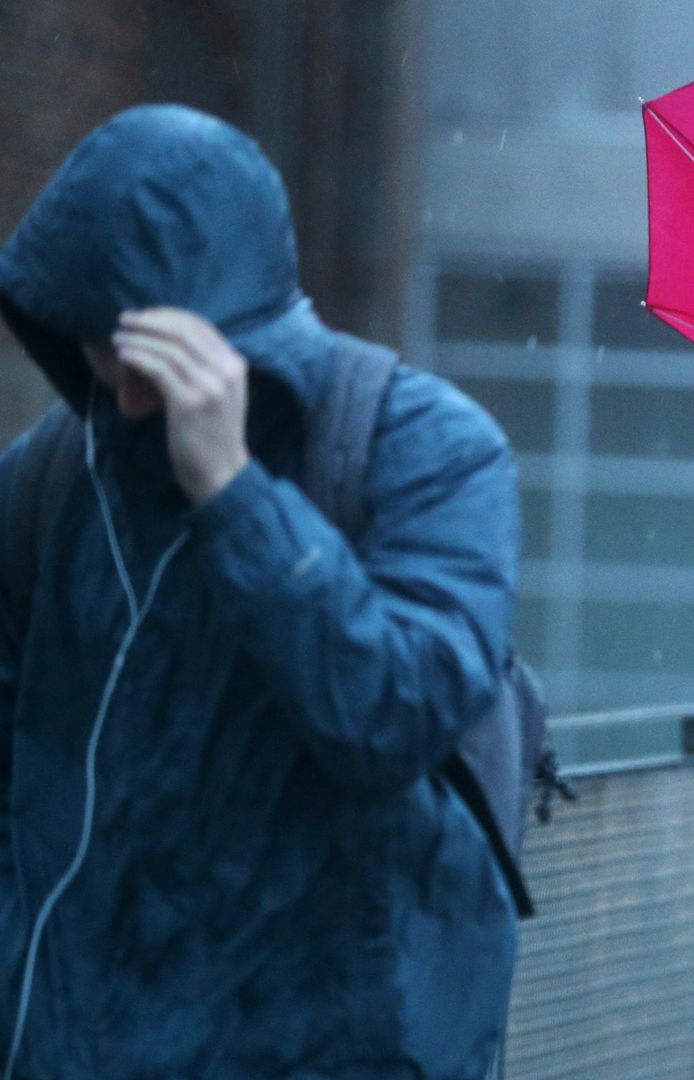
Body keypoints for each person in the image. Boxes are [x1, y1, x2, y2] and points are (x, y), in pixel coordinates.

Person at [0, 105, 518, 1076]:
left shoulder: (427, 450)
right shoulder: (48, 482)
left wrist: (233, 493)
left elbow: (394, 719)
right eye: (101, 352)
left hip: (326, 1040)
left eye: (156, 359)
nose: (127, 396)